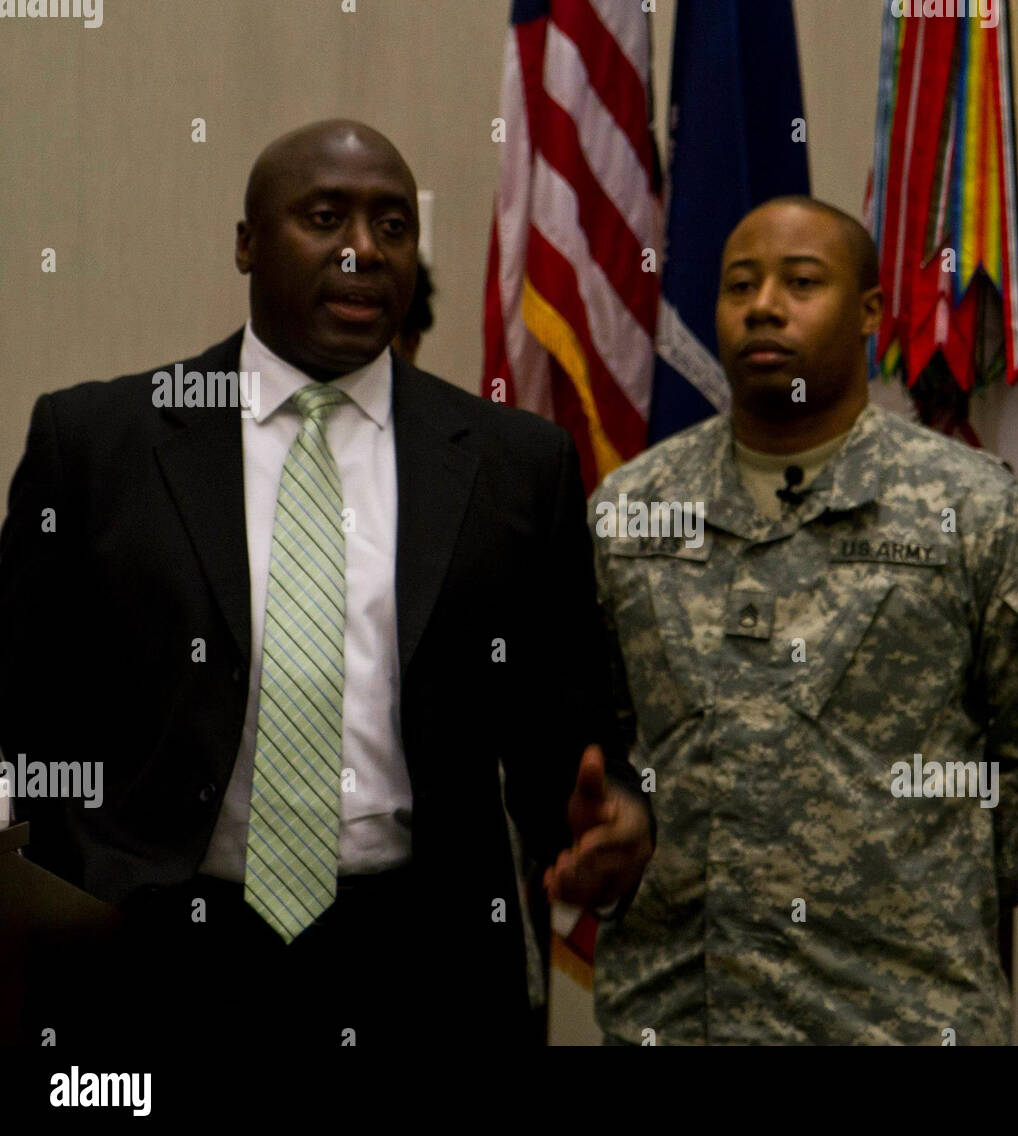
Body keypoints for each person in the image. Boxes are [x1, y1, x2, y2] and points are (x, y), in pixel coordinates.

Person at [0, 119, 653, 1053]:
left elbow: (570, 727)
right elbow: (21, 700)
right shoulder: (99, 444)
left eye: (392, 225)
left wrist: (614, 816)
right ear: (246, 242)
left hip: (420, 960)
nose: (362, 250)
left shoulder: (515, 464)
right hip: (153, 951)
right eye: (323, 217)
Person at [588, 196, 1018, 1045]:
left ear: (871, 312)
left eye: (801, 282)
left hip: (896, 1016)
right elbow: (591, 726)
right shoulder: (632, 511)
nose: (764, 305)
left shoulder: (974, 509)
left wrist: (931, 872)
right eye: (741, 285)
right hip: (681, 1013)